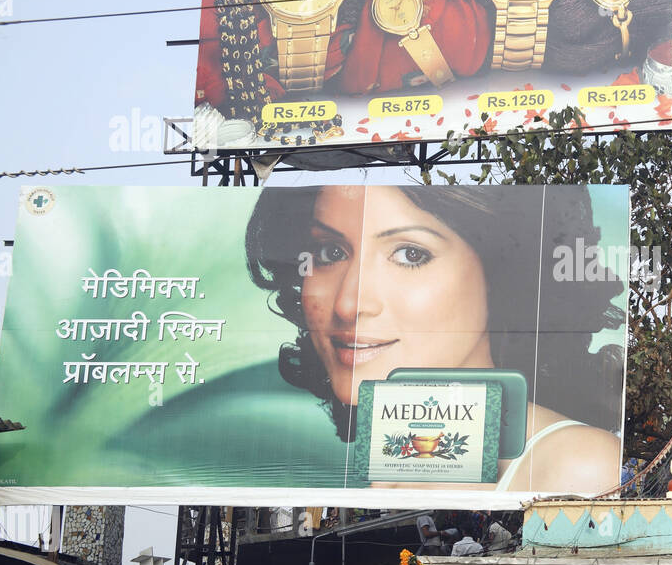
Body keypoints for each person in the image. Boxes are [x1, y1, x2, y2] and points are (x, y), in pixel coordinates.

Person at [245, 184, 626, 495]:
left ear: (500, 275)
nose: (348, 304)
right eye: (331, 252)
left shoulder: (578, 466)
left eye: (410, 254)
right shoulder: (376, 469)